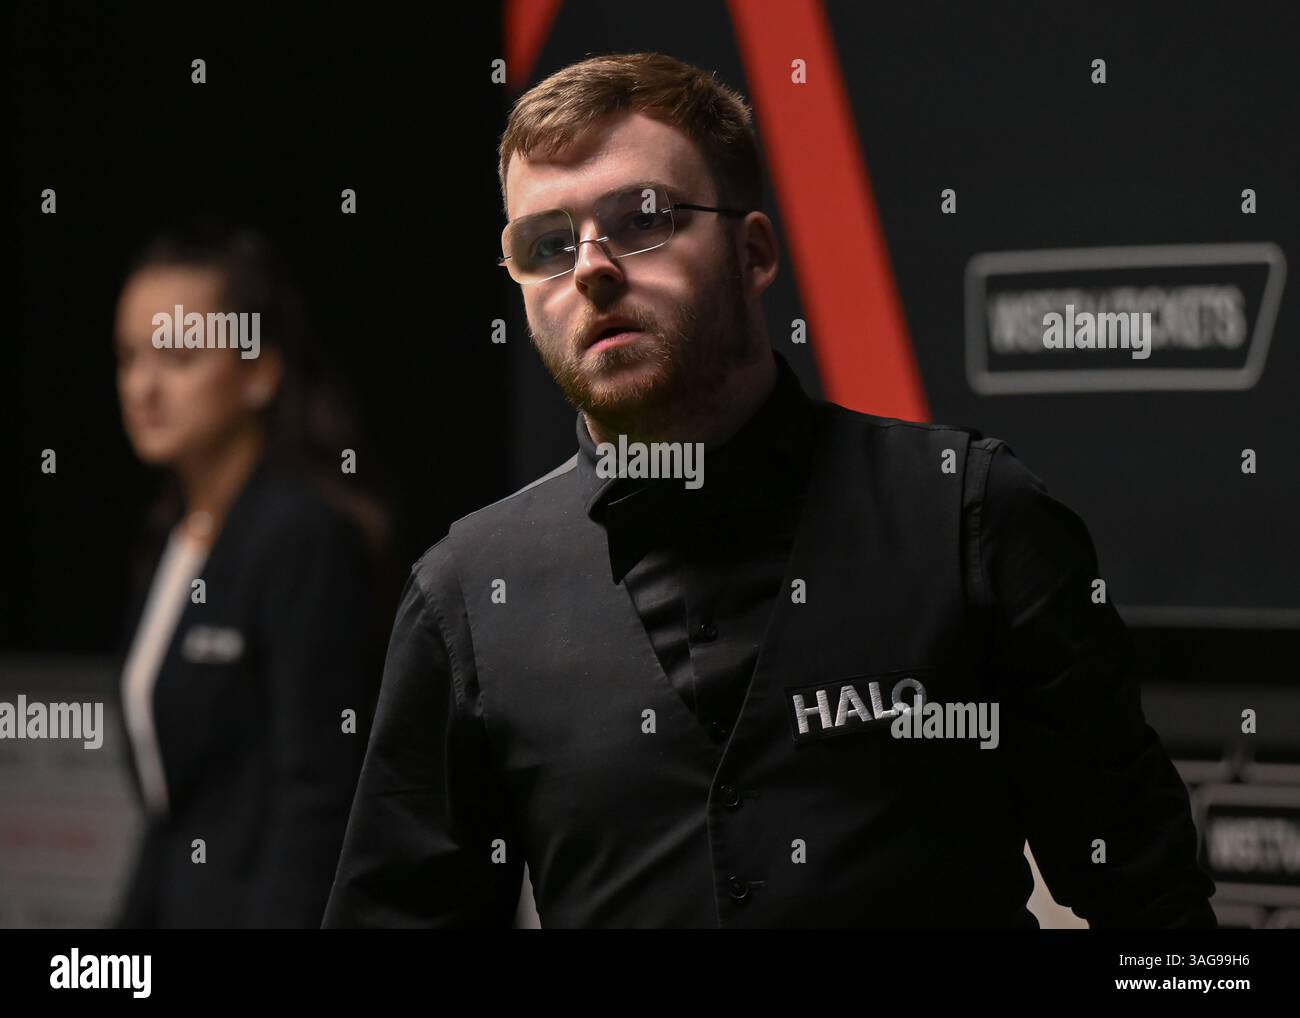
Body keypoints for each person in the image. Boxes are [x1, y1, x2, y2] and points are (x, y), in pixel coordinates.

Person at [322, 53, 1217, 928]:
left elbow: (1157, 911)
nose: (590, 268)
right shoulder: (468, 594)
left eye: (641, 219)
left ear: (752, 253)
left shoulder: (971, 515)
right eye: (546, 245)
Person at [111, 227, 385, 927]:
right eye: (128, 356)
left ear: (259, 371)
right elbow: (172, 813)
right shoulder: (172, 541)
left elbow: (319, 800)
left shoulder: (302, 536)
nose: (143, 386)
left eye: (176, 355)